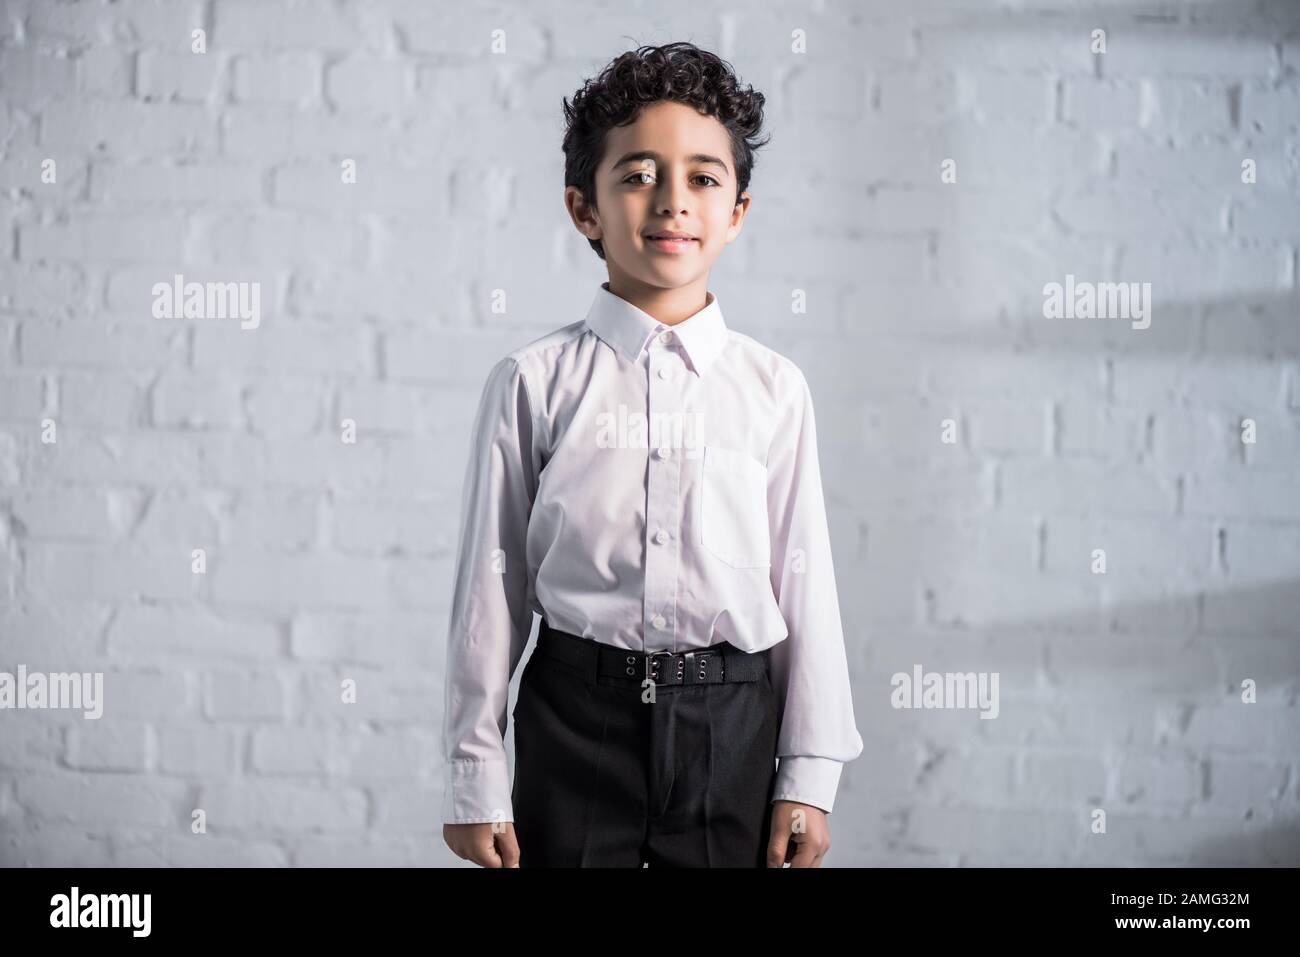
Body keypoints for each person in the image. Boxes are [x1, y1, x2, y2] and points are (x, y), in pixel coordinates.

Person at [441, 41, 862, 868]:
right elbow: (490, 590)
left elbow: (805, 585)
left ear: (737, 210)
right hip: (573, 718)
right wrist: (473, 775)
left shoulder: (775, 389)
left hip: (732, 724)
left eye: (704, 178)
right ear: (583, 208)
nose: (673, 202)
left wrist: (809, 772)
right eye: (637, 175)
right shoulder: (532, 384)